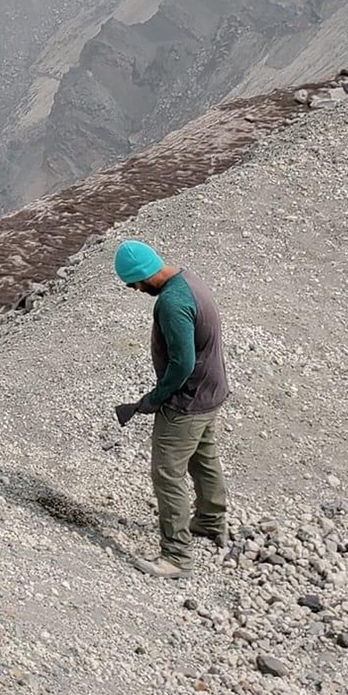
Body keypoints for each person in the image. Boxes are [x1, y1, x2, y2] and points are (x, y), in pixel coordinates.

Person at [111, 238, 230, 576]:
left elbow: (182, 363)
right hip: (210, 394)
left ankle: (176, 556)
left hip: (186, 403)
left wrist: (155, 398)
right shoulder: (189, 280)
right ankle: (210, 521)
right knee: (204, 459)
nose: (135, 290)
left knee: (167, 474)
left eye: (133, 283)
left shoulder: (171, 303)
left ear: (142, 274)